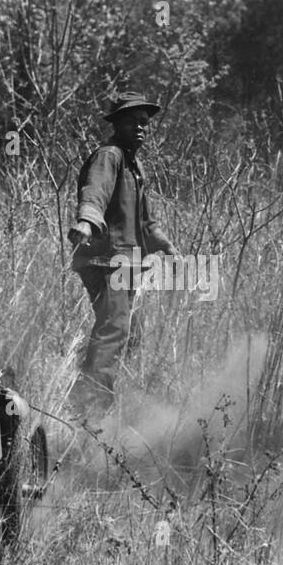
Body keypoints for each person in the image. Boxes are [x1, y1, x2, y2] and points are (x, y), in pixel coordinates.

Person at [67, 92, 176, 417]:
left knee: (124, 332)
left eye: (145, 123)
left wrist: (166, 246)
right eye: (133, 122)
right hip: (106, 261)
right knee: (114, 330)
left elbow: (145, 221)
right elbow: (95, 191)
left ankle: (84, 395)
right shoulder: (109, 156)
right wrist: (87, 220)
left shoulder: (134, 164)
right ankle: (90, 409)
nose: (141, 128)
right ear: (117, 124)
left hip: (126, 263)